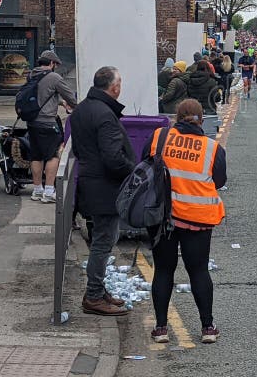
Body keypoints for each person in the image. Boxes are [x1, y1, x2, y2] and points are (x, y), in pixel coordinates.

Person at [145, 99, 227, 345]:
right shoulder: (212, 148)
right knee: (199, 271)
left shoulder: (159, 137)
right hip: (197, 218)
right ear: (201, 120)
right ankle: (207, 327)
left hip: (163, 217)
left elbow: (146, 166)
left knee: (163, 270)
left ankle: (161, 328)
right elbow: (219, 180)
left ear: (176, 118)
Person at [71, 67, 136, 317]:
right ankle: (94, 296)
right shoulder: (105, 114)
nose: (121, 88)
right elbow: (113, 159)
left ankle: (99, 290)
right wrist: (132, 171)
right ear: (114, 87)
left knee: (103, 240)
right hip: (105, 187)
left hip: (91, 183)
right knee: (103, 243)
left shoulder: (83, 109)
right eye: (120, 83)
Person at [28, 50, 77, 203]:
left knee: (36, 156)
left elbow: (42, 95)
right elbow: (70, 96)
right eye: (55, 64)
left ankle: (37, 190)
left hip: (32, 122)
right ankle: (49, 191)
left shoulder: (31, 75)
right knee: (53, 155)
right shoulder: (54, 77)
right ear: (51, 63)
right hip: (48, 123)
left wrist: (59, 102)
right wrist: (75, 105)